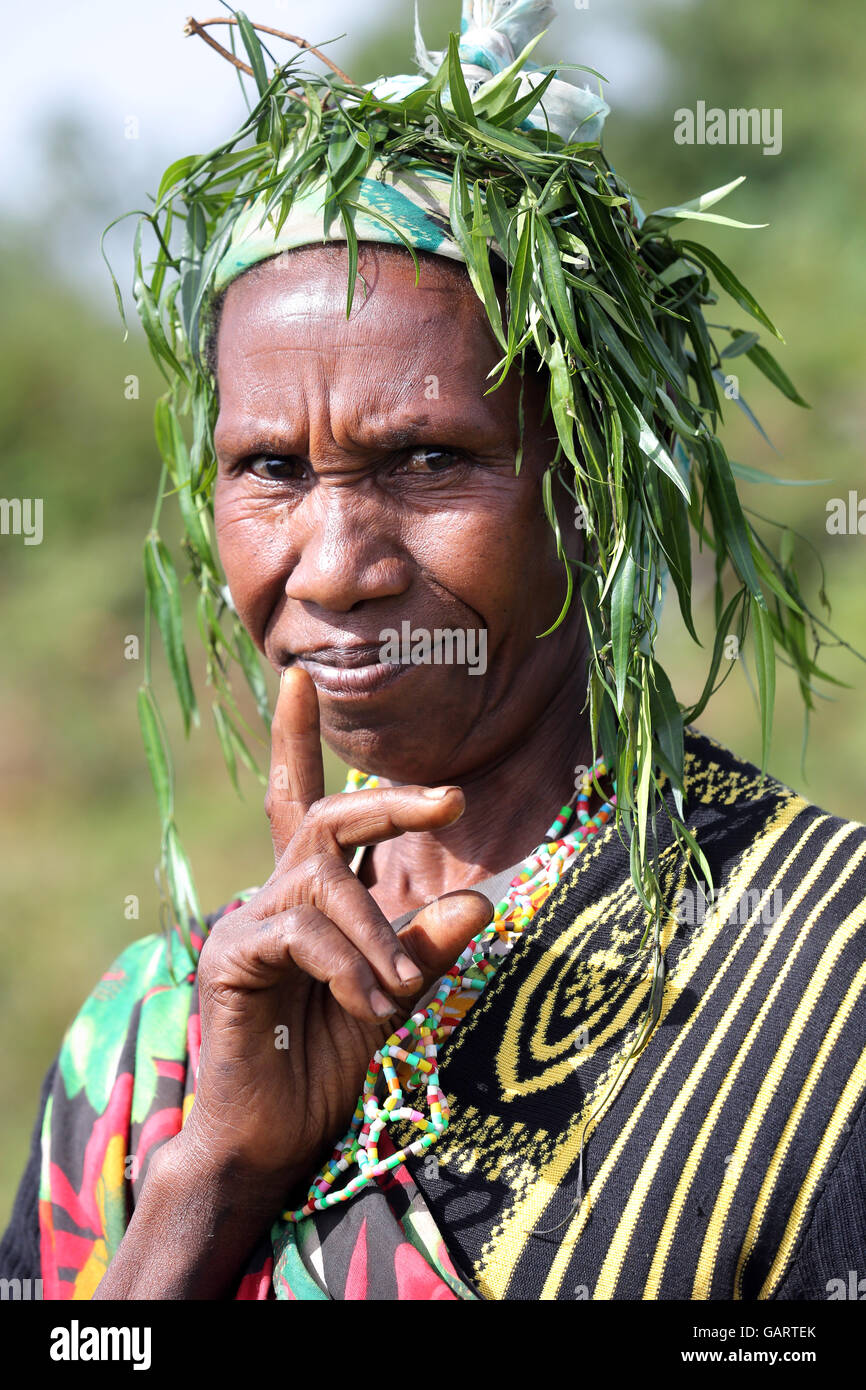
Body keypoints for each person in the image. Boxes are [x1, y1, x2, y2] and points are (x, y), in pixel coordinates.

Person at [2, 0, 865, 1301]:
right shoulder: (150, 1036)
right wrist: (211, 1180)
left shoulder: (817, 974)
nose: (333, 565)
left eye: (426, 459)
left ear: (591, 482)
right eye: (270, 468)